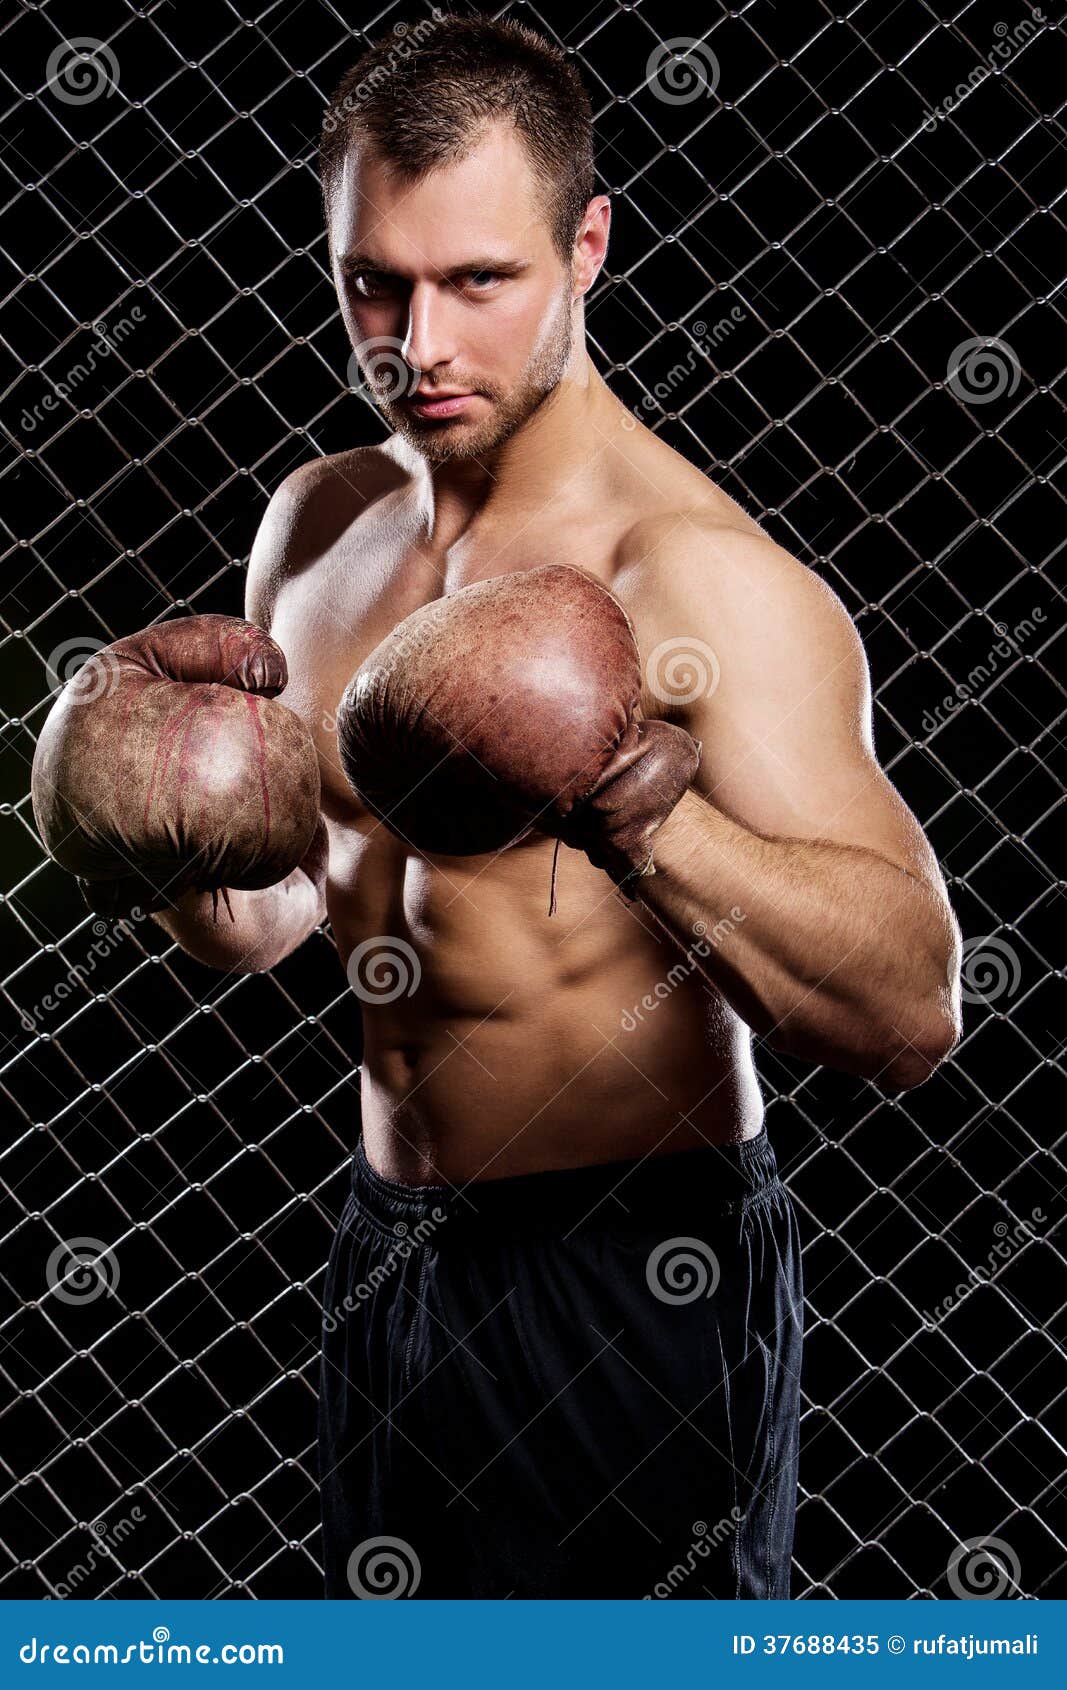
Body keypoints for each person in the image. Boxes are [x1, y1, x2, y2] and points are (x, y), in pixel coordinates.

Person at [40, 16, 963, 1598]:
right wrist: (156, 841)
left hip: (635, 1274)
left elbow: (912, 1002)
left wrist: (633, 802)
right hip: (392, 1252)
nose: (419, 343)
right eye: (374, 283)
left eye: (481, 281)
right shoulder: (316, 525)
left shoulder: (695, 576)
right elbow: (277, 917)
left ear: (587, 245)